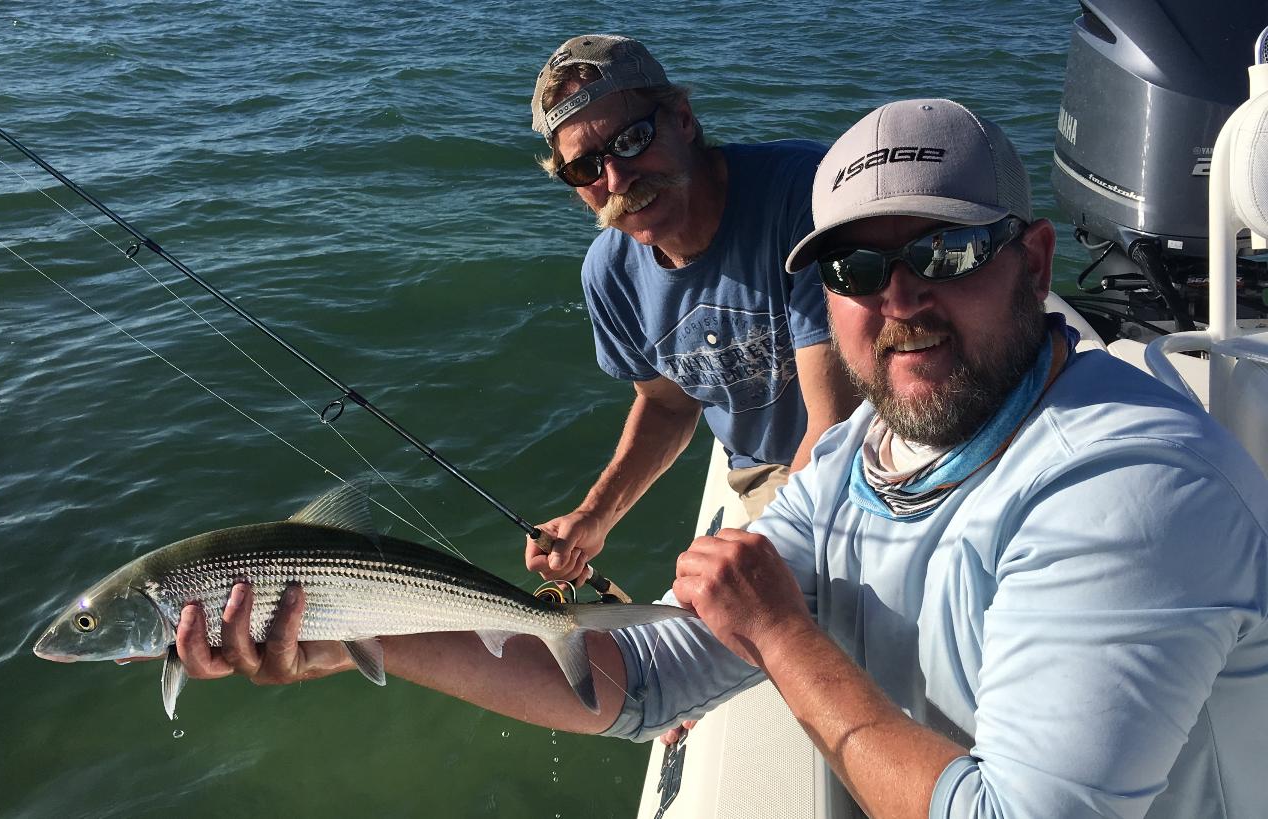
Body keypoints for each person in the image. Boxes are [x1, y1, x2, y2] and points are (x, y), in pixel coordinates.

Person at [176, 99, 1268, 819]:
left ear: (1032, 261)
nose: (899, 301)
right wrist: (362, 633)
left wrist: (782, 636)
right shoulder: (862, 460)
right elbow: (639, 680)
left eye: (944, 252)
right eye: (853, 270)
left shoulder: (1127, 490)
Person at [523, 35, 858, 584]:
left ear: (682, 118)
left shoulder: (804, 195)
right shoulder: (609, 273)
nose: (616, 180)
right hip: (768, 475)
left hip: (879, 448)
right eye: (585, 168)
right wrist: (594, 515)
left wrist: (765, 562)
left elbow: (836, 424)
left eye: (631, 139)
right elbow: (667, 404)